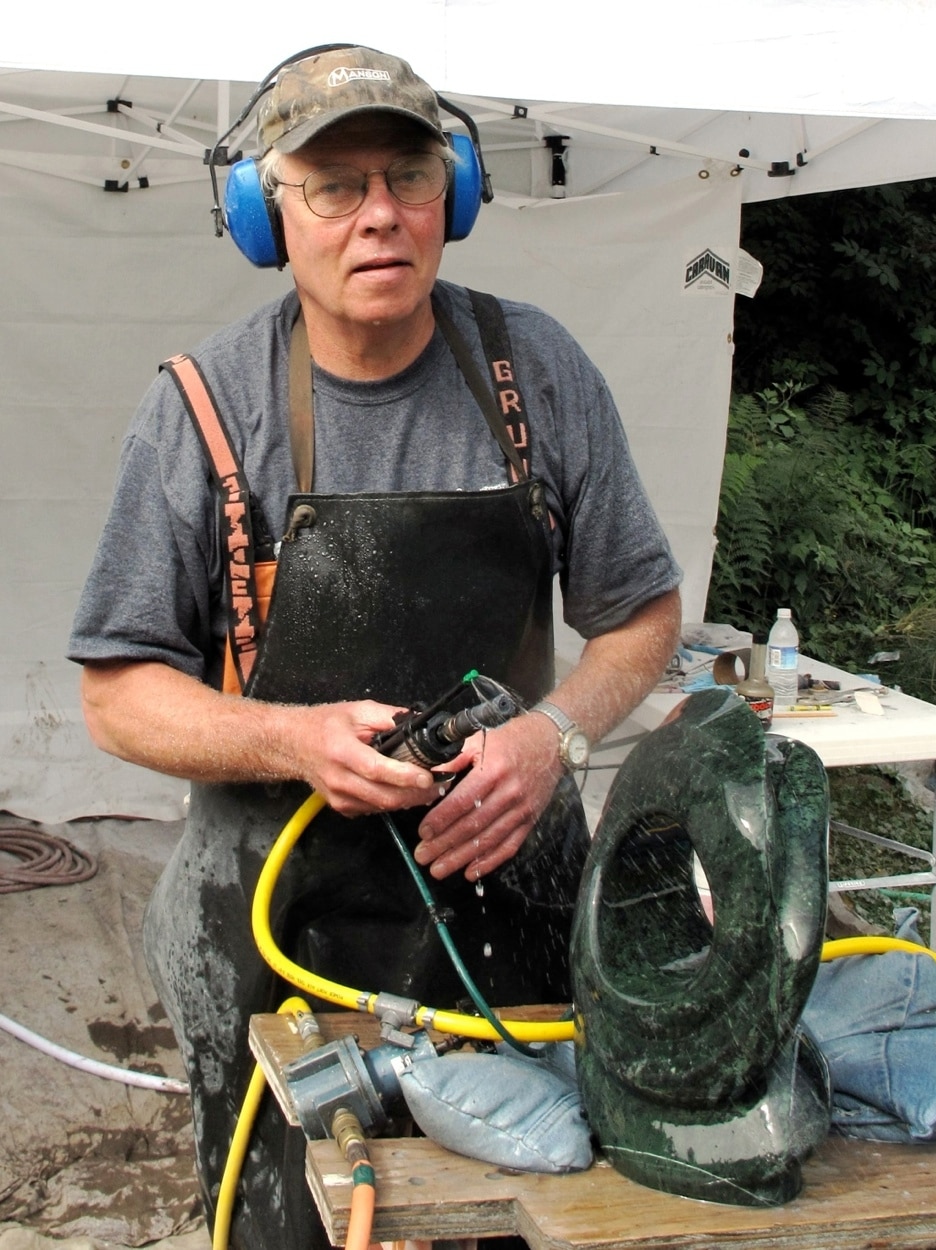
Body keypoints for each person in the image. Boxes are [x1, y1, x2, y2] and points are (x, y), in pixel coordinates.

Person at [68, 44, 681, 1250]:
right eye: (333, 185)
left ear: (456, 193)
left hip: (518, 916)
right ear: (265, 215)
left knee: (534, 1212)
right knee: (288, 1220)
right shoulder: (204, 407)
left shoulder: (536, 370)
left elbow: (641, 612)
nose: (380, 214)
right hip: (278, 929)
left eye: (408, 175)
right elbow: (117, 693)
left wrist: (555, 733)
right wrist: (291, 739)